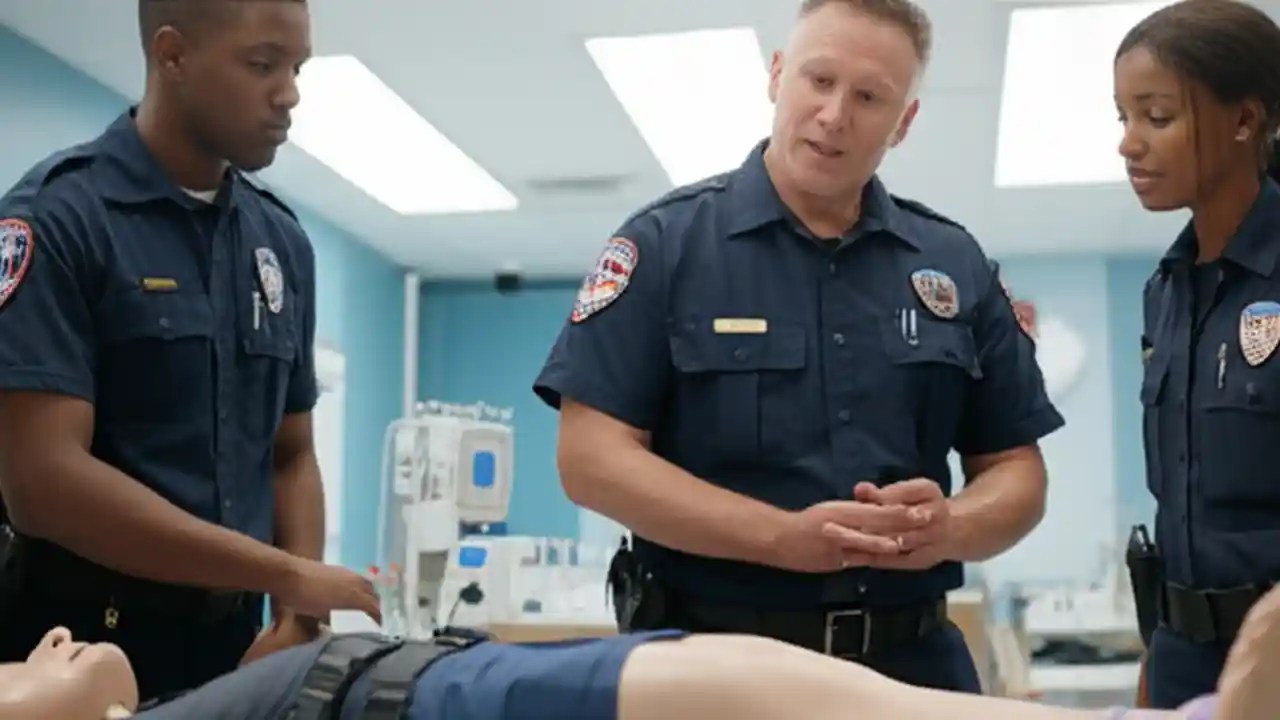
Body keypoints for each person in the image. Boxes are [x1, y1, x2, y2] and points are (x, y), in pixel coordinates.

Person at [532, 0, 1063, 694]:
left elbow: (1019, 472)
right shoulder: (666, 247)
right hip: (714, 673)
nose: (836, 114)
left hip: (913, 670)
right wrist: (779, 538)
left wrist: (952, 527)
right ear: (778, 76)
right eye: (819, 80)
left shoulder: (953, 264)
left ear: (903, 123)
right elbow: (589, 459)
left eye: (870, 96)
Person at [0, 0, 379, 702]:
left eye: (296, 68)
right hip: (81, 647)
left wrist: (297, 614)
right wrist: (283, 573)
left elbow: (290, 454)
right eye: (262, 64)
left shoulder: (280, 242)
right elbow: (41, 485)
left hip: (237, 648)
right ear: (172, 56)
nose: (289, 91)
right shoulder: (59, 219)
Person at [17, 580, 1280, 720]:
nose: (51, 640)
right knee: (751, 688)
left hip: (408, 681)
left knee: (778, 692)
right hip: (406, 702)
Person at [1114, 0, 1280, 710]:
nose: (1128, 143)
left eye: (1156, 118)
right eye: (1120, 118)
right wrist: (1159, 652)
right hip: (1180, 652)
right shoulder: (1166, 292)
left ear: (1244, 121)